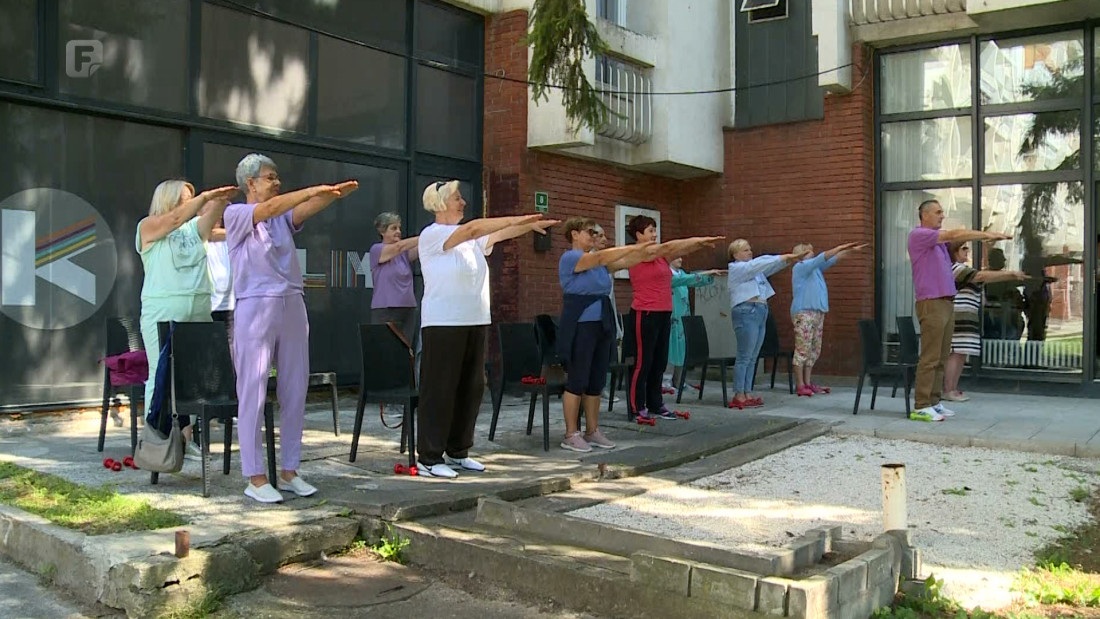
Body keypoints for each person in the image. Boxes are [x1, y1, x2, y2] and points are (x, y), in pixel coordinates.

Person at [224, 153, 358, 503]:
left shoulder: (283, 216)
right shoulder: (236, 214)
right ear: (250, 183)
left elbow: (304, 209)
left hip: (292, 302)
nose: (277, 182)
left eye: (277, 177)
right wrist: (313, 189)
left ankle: (289, 471)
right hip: (255, 305)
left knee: (295, 389)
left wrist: (332, 194)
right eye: (270, 177)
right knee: (252, 389)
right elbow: (270, 209)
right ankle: (255, 477)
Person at [417, 180, 556, 479]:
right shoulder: (432, 235)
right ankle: (429, 457)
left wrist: (529, 225)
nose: (463, 202)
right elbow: (473, 228)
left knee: (471, 389)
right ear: (440, 203)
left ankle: (458, 451)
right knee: (439, 389)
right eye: (457, 198)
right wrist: (516, 218)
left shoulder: (470, 240)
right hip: (443, 323)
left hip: (475, 320)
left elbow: (497, 233)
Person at [137, 180, 236, 457]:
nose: (189, 205)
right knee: (161, 376)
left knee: (194, 380)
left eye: (190, 199)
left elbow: (207, 222)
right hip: (163, 312)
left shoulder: (193, 230)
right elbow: (176, 218)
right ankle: (156, 442)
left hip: (198, 310)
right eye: (183, 199)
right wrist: (206, 196)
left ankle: (185, 439)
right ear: (167, 201)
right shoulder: (148, 226)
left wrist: (220, 199)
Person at [557, 217, 655, 452]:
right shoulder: (572, 257)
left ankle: (592, 430)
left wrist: (651, 250)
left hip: (601, 322)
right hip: (581, 324)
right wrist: (636, 245)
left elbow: (625, 260)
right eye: (588, 232)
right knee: (577, 379)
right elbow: (601, 256)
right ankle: (571, 433)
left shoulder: (598, 264)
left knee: (596, 380)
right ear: (574, 234)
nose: (593, 236)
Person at [907, 199, 1011, 422]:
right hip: (931, 302)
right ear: (924, 215)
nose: (941, 215)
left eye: (942, 212)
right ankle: (921, 405)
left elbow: (957, 238)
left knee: (942, 356)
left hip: (946, 302)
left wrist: (986, 237)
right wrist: (987, 235)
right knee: (930, 357)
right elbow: (954, 235)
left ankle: (934, 402)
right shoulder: (919, 235)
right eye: (937, 212)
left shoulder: (938, 245)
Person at [625, 215, 721, 424]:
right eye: (650, 230)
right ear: (639, 234)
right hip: (645, 313)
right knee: (643, 362)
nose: (654, 234)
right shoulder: (638, 252)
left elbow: (678, 251)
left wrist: (699, 245)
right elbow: (670, 247)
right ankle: (636, 407)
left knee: (659, 361)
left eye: (655, 230)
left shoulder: (661, 257)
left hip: (663, 312)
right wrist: (698, 241)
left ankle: (655, 404)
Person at [726, 240, 810, 410]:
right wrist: (784, 256)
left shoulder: (754, 269)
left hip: (760, 310)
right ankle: (738, 394)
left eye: (750, 249)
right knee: (744, 355)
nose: (750, 252)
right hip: (746, 311)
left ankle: (747, 391)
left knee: (753, 356)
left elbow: (769, 266)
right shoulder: (737, 268)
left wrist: (787, 261)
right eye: (745, 250)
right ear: (735, 254)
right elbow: (761, 262)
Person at [943, 241, 1026, 402]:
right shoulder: (955, 268)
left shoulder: (962, 270)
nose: (967, 251)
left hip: (968, 317)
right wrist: (1011, 274)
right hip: (959, 317)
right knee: (956, 352)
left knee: (961, 353)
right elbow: (980, 276)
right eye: (963, 248)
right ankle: (948, 389)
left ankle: (953, 387)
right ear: (953, 252)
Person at [789, 241, 867, 397]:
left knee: (813, 349)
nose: (812, 253)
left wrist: (850, 251)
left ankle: (807, 382)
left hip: (817, 312)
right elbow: (823, 257)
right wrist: (840, 247)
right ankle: (800, 384)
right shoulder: (801, 267)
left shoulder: (815, 269)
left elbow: (833, 259)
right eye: (809, 251)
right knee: (802, 349)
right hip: (804, 312)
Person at [667, 257, 722, 392]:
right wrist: (704, 274)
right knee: (670, 347)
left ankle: (679, 380)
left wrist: (708, 276)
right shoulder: (667, 274)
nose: (680, 259)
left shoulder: (681, 274)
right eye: (676, 256)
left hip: (683, 315)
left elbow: (691, 280)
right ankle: (666, 380)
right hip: (671, 315)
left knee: (682, 348)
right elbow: (687, 279)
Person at [369, 212, 419, 344]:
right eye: (393, 228)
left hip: (408, 308)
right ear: (382, 231)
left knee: (405, 349)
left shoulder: (404, 254)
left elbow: (421, 248)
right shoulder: (377, 249)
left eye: (399, 228)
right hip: (386, 309)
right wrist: (425, 236)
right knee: (385, 348)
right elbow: (399, 246)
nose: (398, 231)